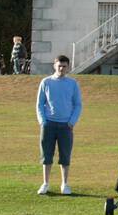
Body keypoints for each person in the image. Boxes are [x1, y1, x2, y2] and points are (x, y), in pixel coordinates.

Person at [35, 54, 82, 195]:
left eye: (64, 66)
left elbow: (78, 104)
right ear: (54, 66)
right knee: (46, 155)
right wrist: (43, 121)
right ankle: (45, 183)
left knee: (65, 156)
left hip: (65, 126)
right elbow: (40, 104)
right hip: (48, 124)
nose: (61, 68)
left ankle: (65, 184)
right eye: (59, 66)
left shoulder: (72, 84)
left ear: (68, 67)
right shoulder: (46, 82)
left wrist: (72, 121)